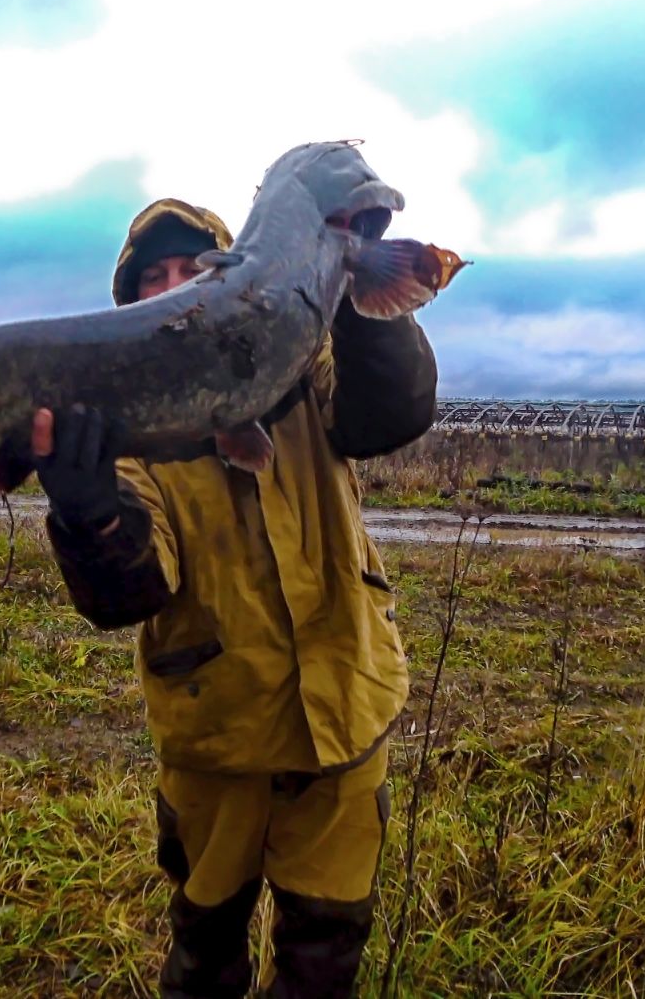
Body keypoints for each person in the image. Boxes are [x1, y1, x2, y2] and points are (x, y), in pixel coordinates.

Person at [31, 197, 439, 998]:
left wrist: (358, 290)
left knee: (324, 959)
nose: (178, 288)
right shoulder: (126, 433)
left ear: (236, 281)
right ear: (132, 307)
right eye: (156, 278)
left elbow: (392, 411)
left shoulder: (304, 361)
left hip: (344, 718)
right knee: (205, 957)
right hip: (219, 741)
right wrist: (87, 513)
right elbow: (129, 590)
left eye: (195, 270)